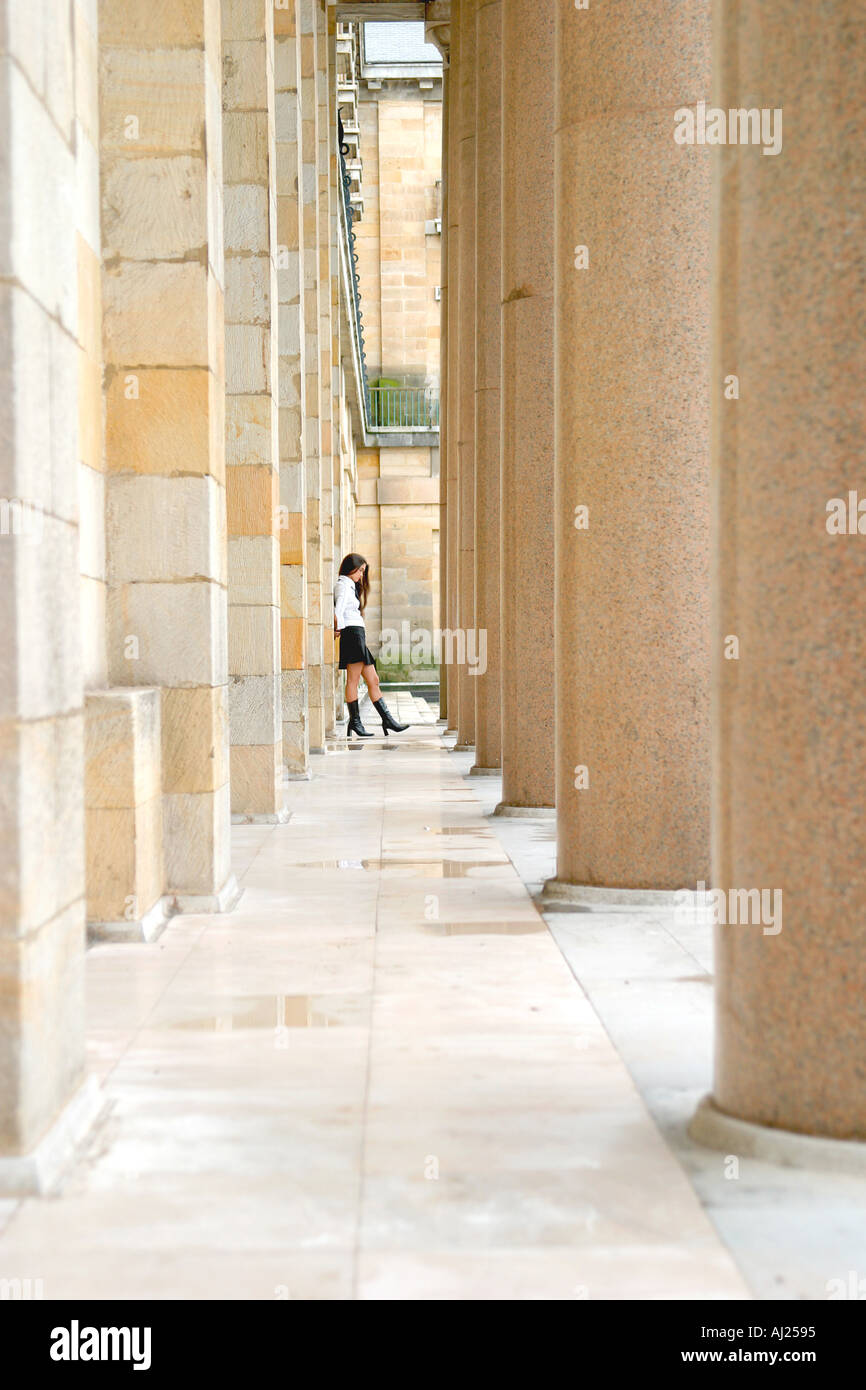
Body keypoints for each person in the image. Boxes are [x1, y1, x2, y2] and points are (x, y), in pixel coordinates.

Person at [334, 553, 409, 738]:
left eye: (363, 571)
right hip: (352, 634)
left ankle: (388, 720)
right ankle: (355, 722)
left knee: (373, 679)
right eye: (360, 570)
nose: (361, 575)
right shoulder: (343, 585)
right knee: (353, 679)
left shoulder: (350, 586)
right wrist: (338, 629)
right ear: (350, 568)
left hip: (357, 635)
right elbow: (338, 610)